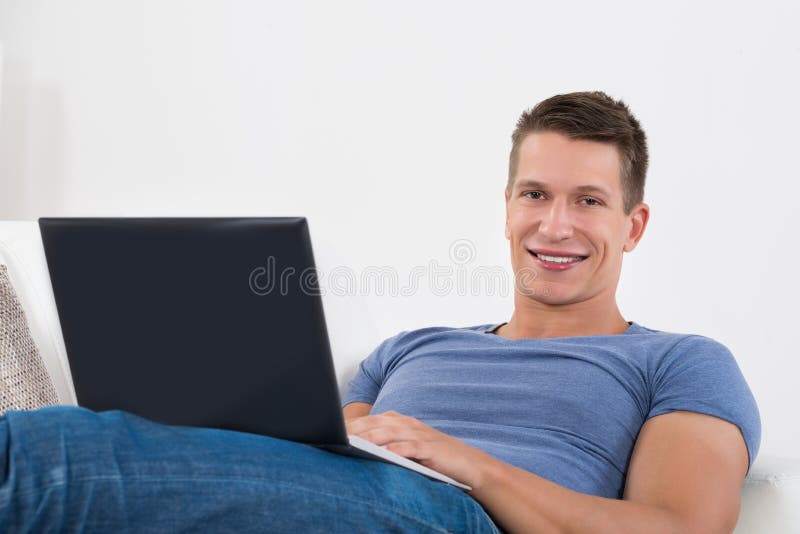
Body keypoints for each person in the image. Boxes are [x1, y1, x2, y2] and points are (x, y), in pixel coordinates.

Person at [0, 91, 760, 533]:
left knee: (52, 458)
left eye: (588, 201)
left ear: (633, 225)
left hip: (465, 519)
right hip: (355, 496)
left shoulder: (680, 361)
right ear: (505, 210)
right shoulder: (412, 347)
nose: (554, 225)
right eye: (535, 194)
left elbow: (681, 530)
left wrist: (470, 465)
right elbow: (321, 460)